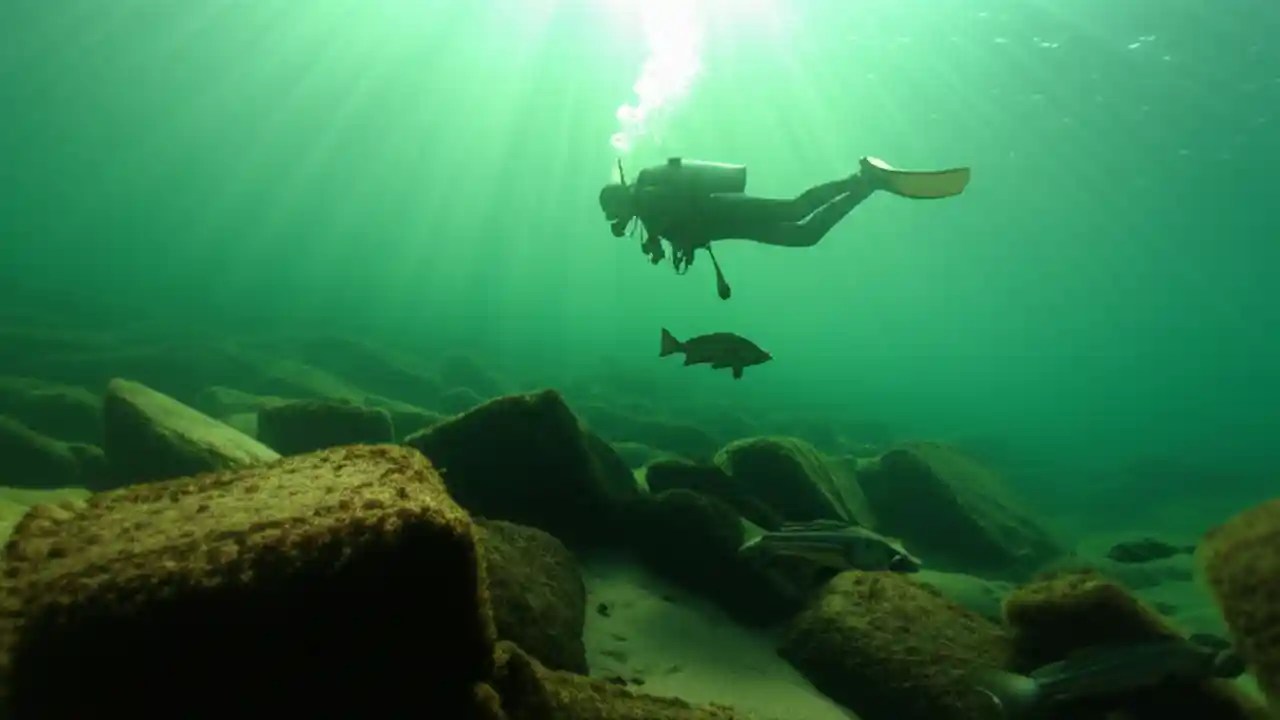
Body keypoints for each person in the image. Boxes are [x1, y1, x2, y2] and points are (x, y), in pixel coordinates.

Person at [597, 156, 971, 299]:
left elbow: (676, 211)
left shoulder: (647, 198)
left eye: (613, 211)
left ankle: (858, 180)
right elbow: (681, 226)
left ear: (618, 201)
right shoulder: (645, 208)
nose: (616, 220)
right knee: (804, 233)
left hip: (729, 212)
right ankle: (864, 186)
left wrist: (654, 237)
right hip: (729, 222)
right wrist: (657, 238)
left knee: (795, 211)